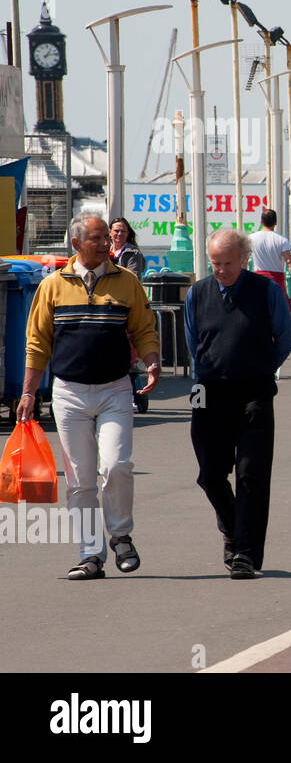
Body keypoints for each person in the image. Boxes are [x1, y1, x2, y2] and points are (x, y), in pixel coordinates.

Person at [21, 213, 161, 580]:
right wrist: (28, 393)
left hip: (115, 389)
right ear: (76, 244)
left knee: (116, 465)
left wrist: (152, 362)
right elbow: (37, 342)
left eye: (106, 238)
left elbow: (143, 328)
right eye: (96, 238)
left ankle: (121, 536)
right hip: (69, 395)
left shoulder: (126, 281)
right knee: (80, 481)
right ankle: (90, 555)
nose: (105, 244)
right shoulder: (52, 286)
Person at [185, 229, 291, 579]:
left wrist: (261, 368)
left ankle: (245, 554)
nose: (221, 270)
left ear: (244, 259)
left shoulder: (266, 291)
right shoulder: (197, 293)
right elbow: (193, 343)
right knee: (209, 474)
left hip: (254, 392)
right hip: (207, 391)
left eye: (227, 263)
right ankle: (232, 528)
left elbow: (285, 338)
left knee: (252, 475)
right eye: (215, 263)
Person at [251, 208, 291, 317]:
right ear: (275, 223)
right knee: (280, 308)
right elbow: (289, 262)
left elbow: (243, 261)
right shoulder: (282, 240)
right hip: (277, 279)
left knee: (260, 308)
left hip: (258, 278)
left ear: (261, 222)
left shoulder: (251, 238)